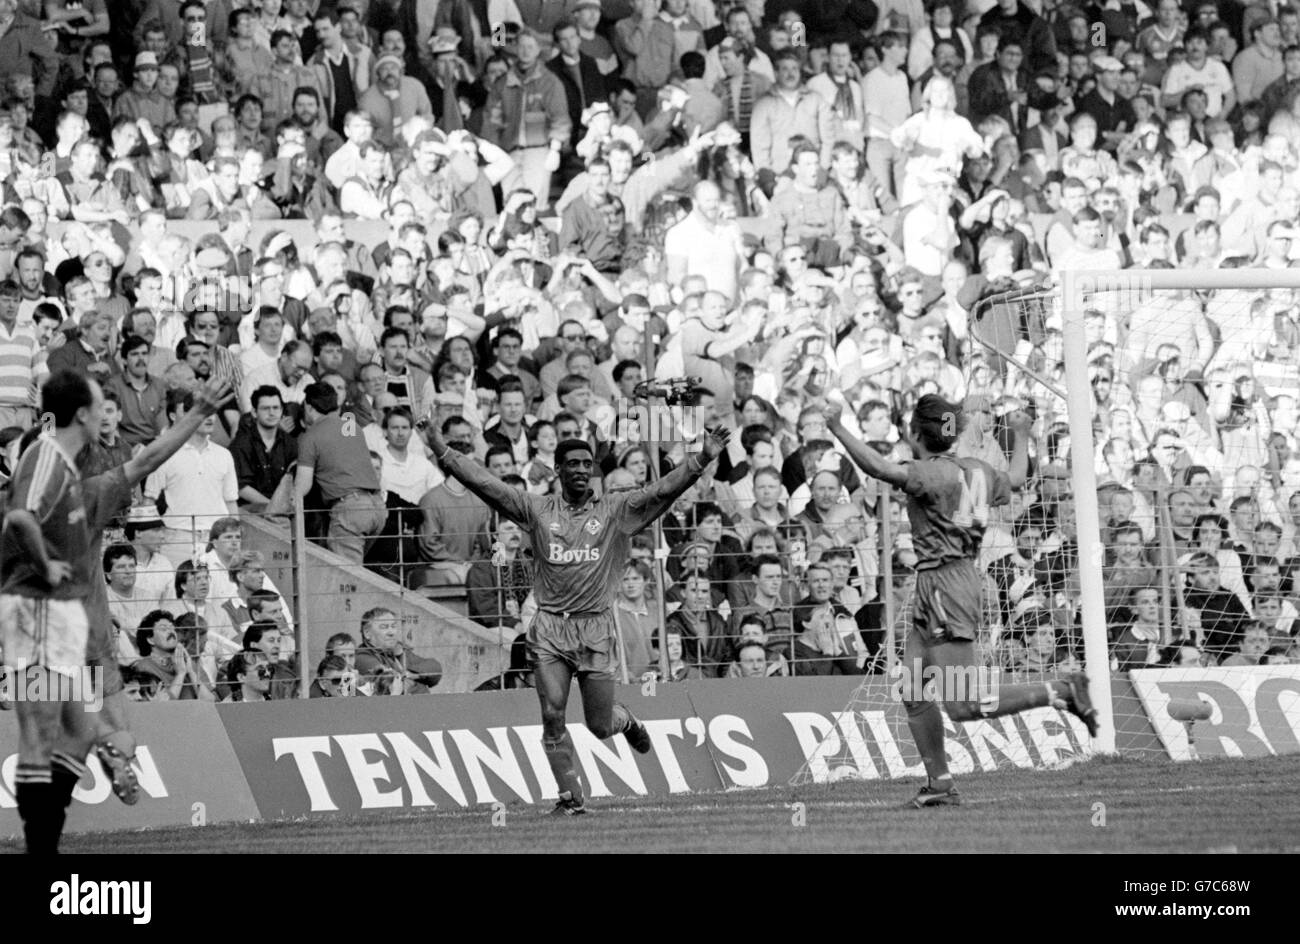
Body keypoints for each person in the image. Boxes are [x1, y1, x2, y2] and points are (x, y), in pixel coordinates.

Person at [426, 420, 731, 814]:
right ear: (557, 470)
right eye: (572, 463)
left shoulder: (614, 509)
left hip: (595, 627)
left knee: (599, 726)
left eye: (587, 463)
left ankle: (626, 721)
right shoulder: (536, 510)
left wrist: (702, 458)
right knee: (552, 715)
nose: (581, 469)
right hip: (551, 627)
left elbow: (662, 490)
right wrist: (442, 450)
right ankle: (570, 799)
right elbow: (487, 484)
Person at [820, 392, 1098, 807]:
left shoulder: (932, 474)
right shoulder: (979, 470)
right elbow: (1019, 478)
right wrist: (1022, 433)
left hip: (946, 587)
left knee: (963, 705)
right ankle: (940, 784)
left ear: (915, 434)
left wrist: (837, 426)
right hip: (941, 583)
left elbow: (877, 467)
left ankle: (1060, 690)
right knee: (913, 691)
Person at [0, 370, 101, 852]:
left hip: (55, 613)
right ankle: (42, 849)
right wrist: (46, 565)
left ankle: (45, 840)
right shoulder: (46, 456)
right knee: (40, 731)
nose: (105, 414)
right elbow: (20, 516)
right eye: (101, 406)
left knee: (81, 731)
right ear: (82, 412)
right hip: (34, 607)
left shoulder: (64, 460)